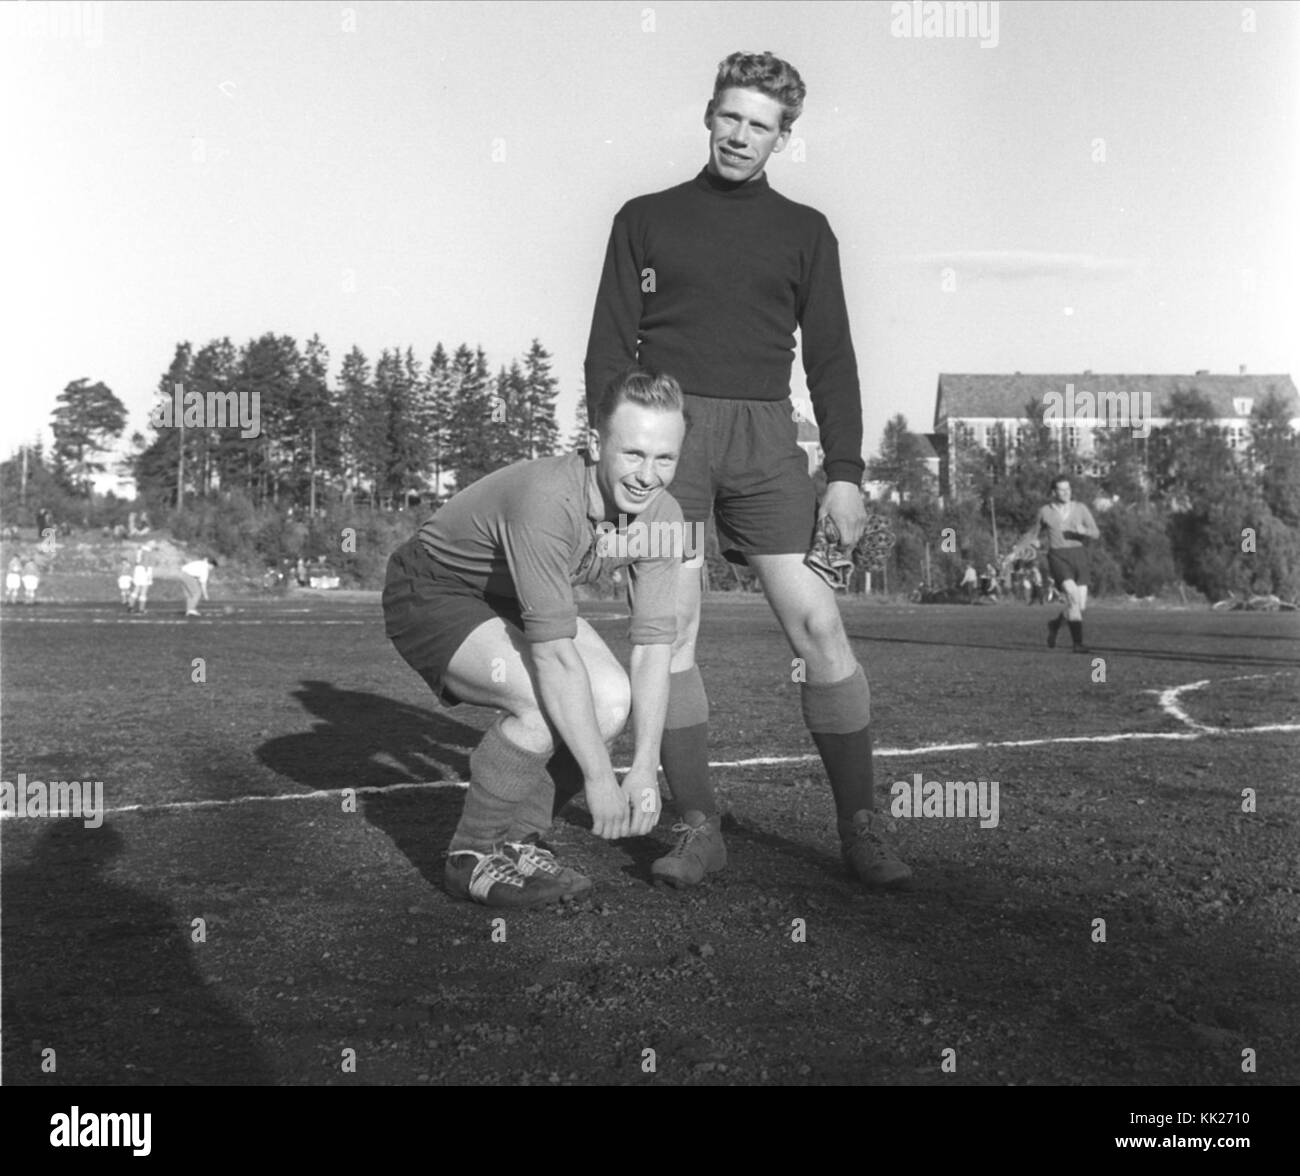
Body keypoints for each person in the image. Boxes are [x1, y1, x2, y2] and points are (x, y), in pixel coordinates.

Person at [584, 51, 910, 891]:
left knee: (820, 628)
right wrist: (618, 455)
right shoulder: (644, 218)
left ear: (782, 138)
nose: (740, 135)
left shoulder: (806, 231)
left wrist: (843, 473)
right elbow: (606, 349)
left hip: (768, 444)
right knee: (672, 634)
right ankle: (699, 827)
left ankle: (861, 826)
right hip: (672, 442)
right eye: (730, 116)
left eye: (760, 125)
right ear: (708, 114)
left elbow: (832, 359)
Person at [383, 369, 689, 908]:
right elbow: (554, 661)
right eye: (633, 454)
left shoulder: (664, 517)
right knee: (543, 699)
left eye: (664, 458)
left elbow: (653, 648)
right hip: (432, 587)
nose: (647, 475)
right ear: (596, 445)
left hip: (509, 594)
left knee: (611, 703)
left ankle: (520, 840)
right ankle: (471, 855)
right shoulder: (550, 498)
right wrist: (598, 776)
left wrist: (643, 767)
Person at [1014, 474, 1100, 653]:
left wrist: (1083, 530)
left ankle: (1055, 625)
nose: (1066, 492)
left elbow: (1095, 532)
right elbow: (1033, 533)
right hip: (1058, 557)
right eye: (1062, 489)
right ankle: (1078, 644)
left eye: (1068, 489)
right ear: (1054, 492)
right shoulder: (1045, 511)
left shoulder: (1080, 508)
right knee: (1073, 597)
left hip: (1079, 555)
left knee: (1079, 606)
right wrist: (1015, 551)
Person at [130, 544, 153, 614]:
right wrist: (147, 573)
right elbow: (146, 561)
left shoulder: (139, 551)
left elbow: (135, 563)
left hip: (138, 570)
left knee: (136, 589)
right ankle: (141, 609)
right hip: (144, 570)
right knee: (144, 590)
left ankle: (130, 607)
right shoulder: (146, 551)